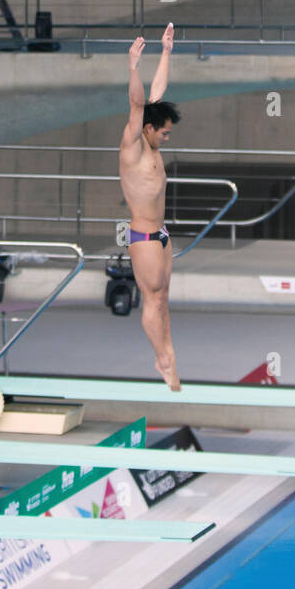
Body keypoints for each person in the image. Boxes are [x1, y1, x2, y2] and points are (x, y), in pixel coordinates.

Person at [119, 22, 182, 390]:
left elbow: (157, 95)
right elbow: (138, 102)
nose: (167, 136)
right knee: (152, 299)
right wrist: (132, 68)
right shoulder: (132, 145)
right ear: (147, 129)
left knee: (164, 301)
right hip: (143, 235)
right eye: (165, 132)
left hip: (162, 233)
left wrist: (166, 52)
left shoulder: (152, 142)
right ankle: (163, 359)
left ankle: (168, 351)